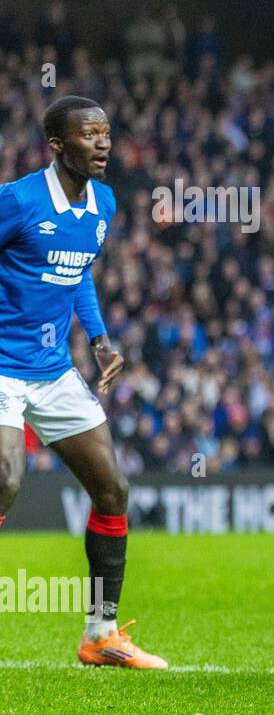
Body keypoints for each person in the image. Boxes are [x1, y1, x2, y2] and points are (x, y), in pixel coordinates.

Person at [0, 95, 167, 670]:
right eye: (89, 134)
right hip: (1, 366)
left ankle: (101, 634)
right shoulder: (17, 201)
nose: (103, 143)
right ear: (57, 145)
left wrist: (98, 337)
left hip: (52, 370)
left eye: (106, 133)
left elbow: (78, 272)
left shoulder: (104, 202)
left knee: (113, 490)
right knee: (5, 477)